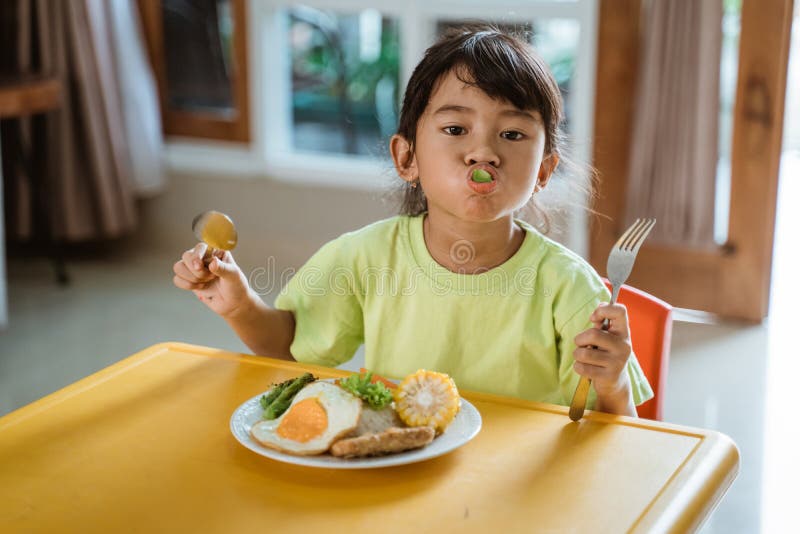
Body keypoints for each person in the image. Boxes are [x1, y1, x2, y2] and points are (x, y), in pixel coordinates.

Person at [172, 25, 653, 416]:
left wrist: (612, 385)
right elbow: (290, 348)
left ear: (544, 171)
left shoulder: (572, 287)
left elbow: (616, 432)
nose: (483, 152)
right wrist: (239, 305)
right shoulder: (365, 257)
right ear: (407, 157)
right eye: (455, 128)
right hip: (400, 466)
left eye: (511, 134)